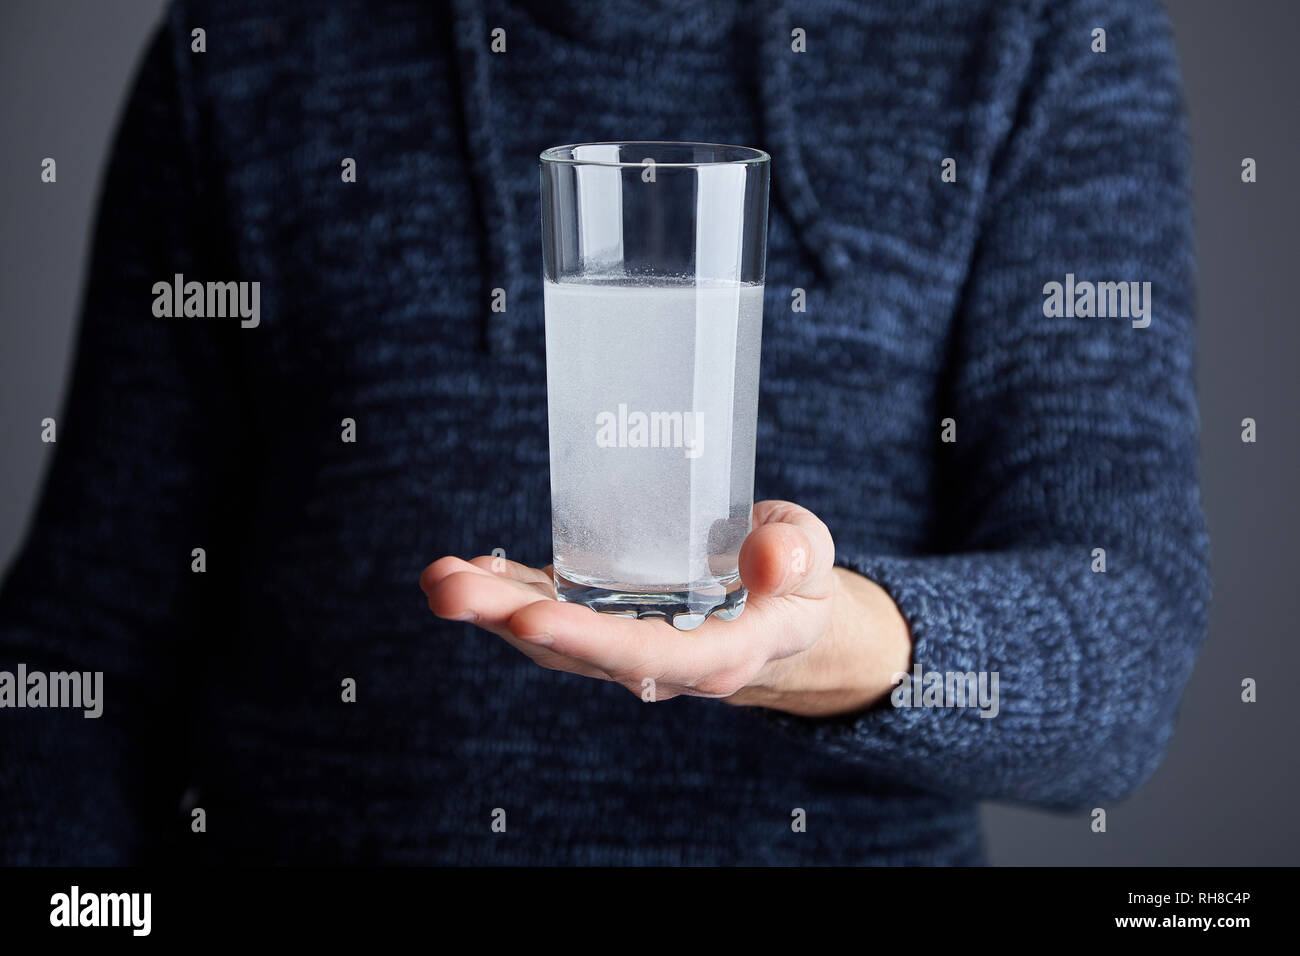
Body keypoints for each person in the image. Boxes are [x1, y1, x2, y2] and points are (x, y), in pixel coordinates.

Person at [0, 0, 1208, 865]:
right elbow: (81, 650)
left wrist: (827, 640)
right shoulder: (245, 47)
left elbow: (1127, 637)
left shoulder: (1038, 29)